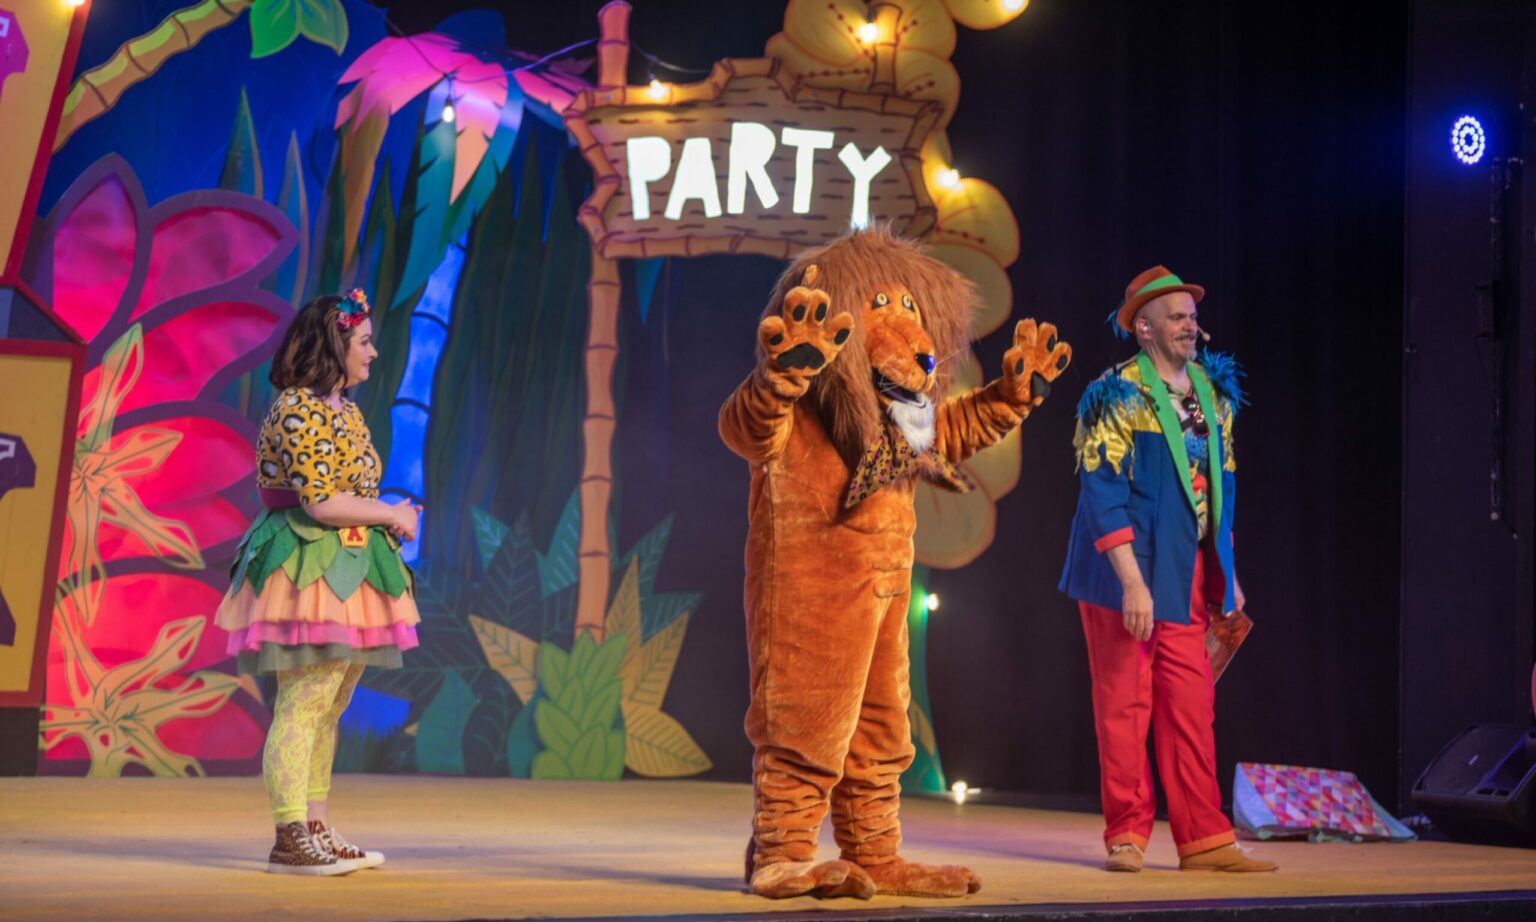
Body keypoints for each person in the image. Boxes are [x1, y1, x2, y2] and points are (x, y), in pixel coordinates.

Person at [1058, 266, 1275, 873]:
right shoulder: (1116, 392)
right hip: (1123, 574)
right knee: (1125, 707)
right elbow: (1101, 493)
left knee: (1189, 706)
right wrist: (1131, 581)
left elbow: (1220, 493)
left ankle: (1205, 839)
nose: (1190, 325)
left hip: (1183, 572)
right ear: (1143, 327)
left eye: (1192, 315)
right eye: (1176, 316)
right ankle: (1126, 835)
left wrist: (1226, 572)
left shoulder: (1212, 393)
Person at [215, 290, 421, 876]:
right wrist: (391, 514)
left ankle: (317, 825)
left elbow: (349, 494)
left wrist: (386, 517)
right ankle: (288, 834)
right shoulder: (298, 409)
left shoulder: (344, 409)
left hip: (348, 565)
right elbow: (324, 502)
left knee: (330, 705)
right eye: (364, 342)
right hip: (305, 563)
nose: (374, 353)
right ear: (335, 346)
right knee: (304, 702)